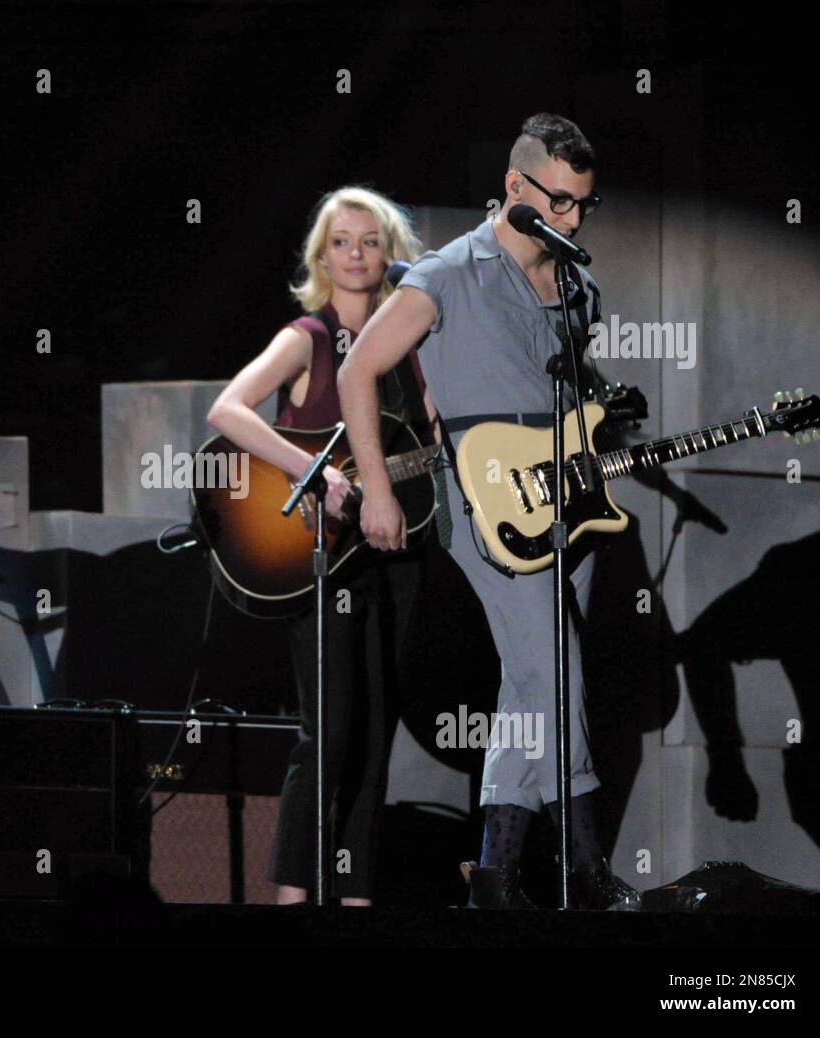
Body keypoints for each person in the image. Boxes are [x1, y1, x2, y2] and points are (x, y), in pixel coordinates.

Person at [338, 114, 640, 909]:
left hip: (568, 498)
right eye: (560, 202)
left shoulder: (577, 284)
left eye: (585, 204)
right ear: (516, 187)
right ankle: (587, 869)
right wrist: (374, 486)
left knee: (527, 684)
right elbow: (360, 370)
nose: (573, 219)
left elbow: (557, 381)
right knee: (555, 672)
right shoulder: (444, 274)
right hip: (485, 504)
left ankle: (496, 874)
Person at [207, 186, 436, 904]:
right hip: (315, 552)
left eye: (370, 241)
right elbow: (227, 410)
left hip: (393, 556)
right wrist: (311, 471)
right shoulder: (306, 337)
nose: (357, 254)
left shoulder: (411, 345)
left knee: (374, 742)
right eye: (342, 242)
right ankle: (293, 903)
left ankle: (359, 901)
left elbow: (430, 444)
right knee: (329, 736)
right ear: (323, 256)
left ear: (389, 251)